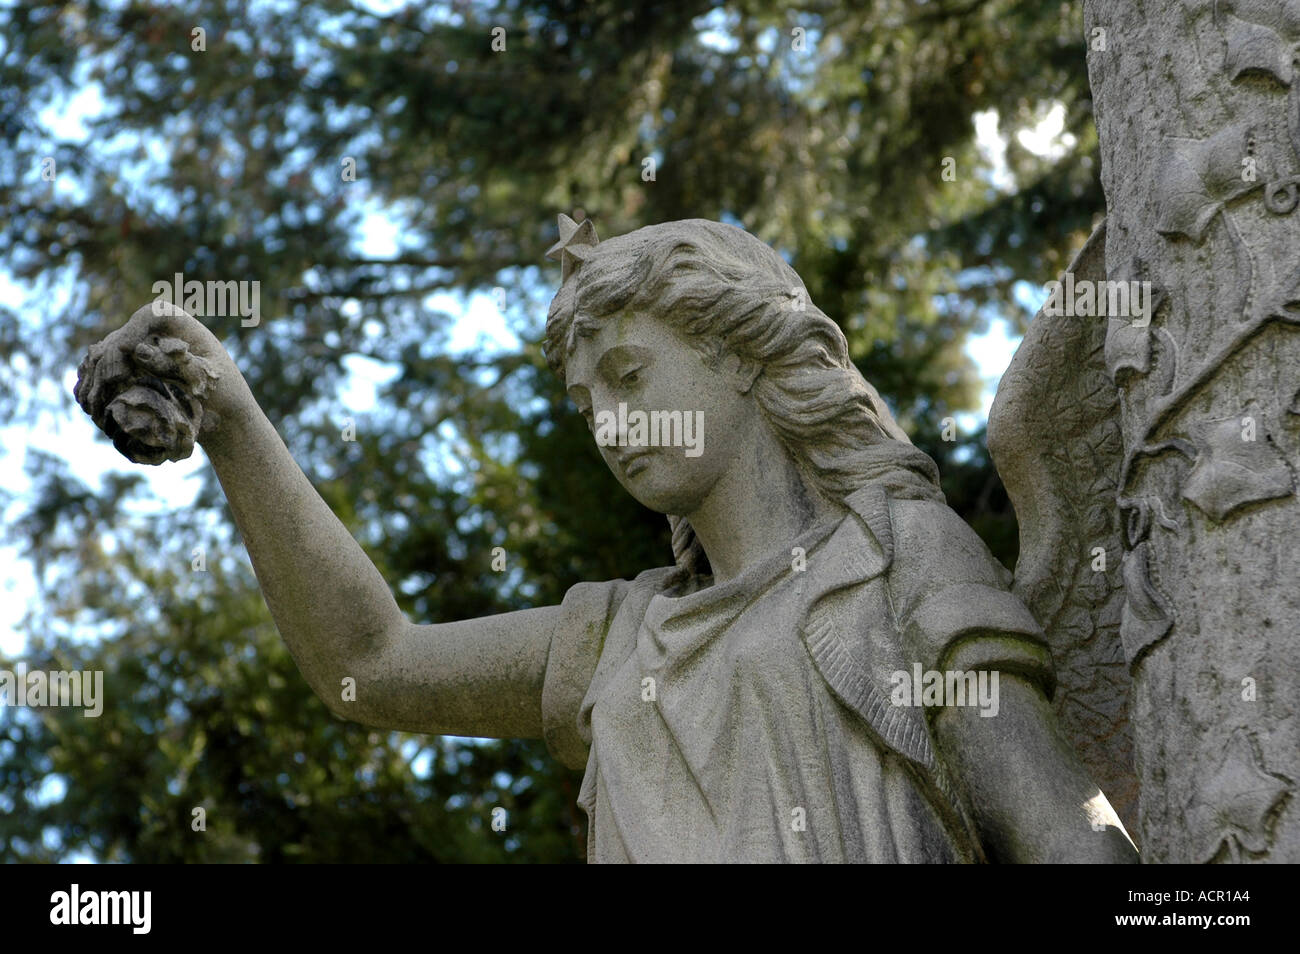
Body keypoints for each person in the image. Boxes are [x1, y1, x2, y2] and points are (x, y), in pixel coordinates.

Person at [75, 216, 1138, 863]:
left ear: (740, 353)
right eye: (588, 405)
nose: (611, 423)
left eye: (629, 375)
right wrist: (233, 417)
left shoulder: (897, 561)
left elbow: (1064, 838)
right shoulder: (618, 642)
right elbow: (369, 668)